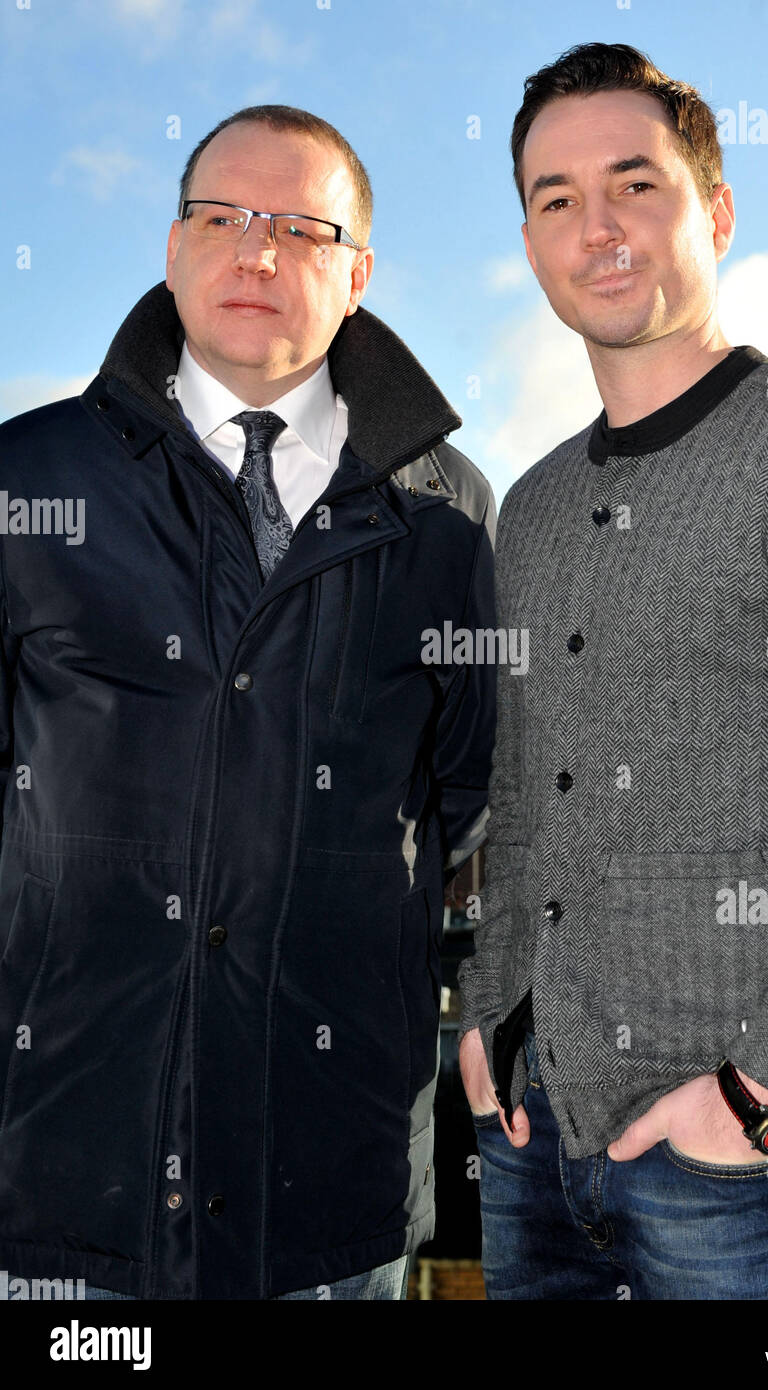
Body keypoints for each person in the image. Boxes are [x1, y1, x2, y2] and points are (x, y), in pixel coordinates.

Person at [458, 42, 768, 1300]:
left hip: (748, 1172)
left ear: (715, 211)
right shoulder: (532, 505)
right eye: (556, 199)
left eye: (636, 184)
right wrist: (485, 1013)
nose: (597, 227)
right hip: (531, 1145)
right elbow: (521, 808)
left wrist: (762, 1084)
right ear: (527, 241)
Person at [0, 104, 496, 1300]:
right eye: (219, 218)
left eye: (297, 227)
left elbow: (464, 795)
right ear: (173, 249)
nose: (254, 252)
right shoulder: (29, 478)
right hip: (65, 1177)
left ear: (357, 271)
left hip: (330, 1184)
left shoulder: (448, 513)